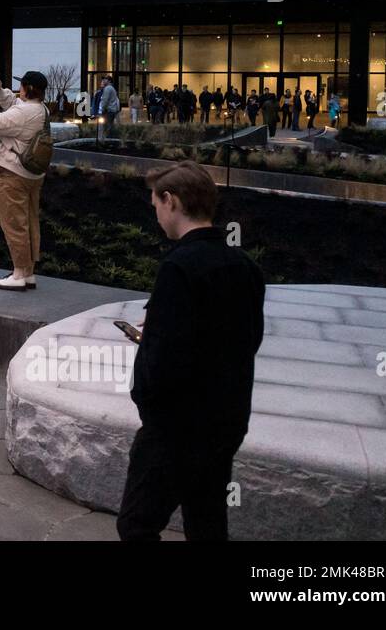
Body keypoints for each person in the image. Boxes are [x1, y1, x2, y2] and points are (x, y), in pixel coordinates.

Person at [117, 162, 265, 541]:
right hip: (226, 422)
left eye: (156, 206)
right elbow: (248, 339)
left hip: (176, 429)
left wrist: (146, 395)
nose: (157, 217)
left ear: (172, 201)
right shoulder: (244, 266)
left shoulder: (178, 268)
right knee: (207, 521)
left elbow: (164, 363)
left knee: (137, 524)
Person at [0, 71, 49, 291]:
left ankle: (18, 273)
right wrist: (0, 91)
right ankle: (28, 272)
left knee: (14, 223)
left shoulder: (25, 113)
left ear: (27, 88)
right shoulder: (41, 110)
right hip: (32, 175)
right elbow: (15, 104)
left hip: (12, 173)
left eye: (22, 86)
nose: (19, 90)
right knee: (29, 221)